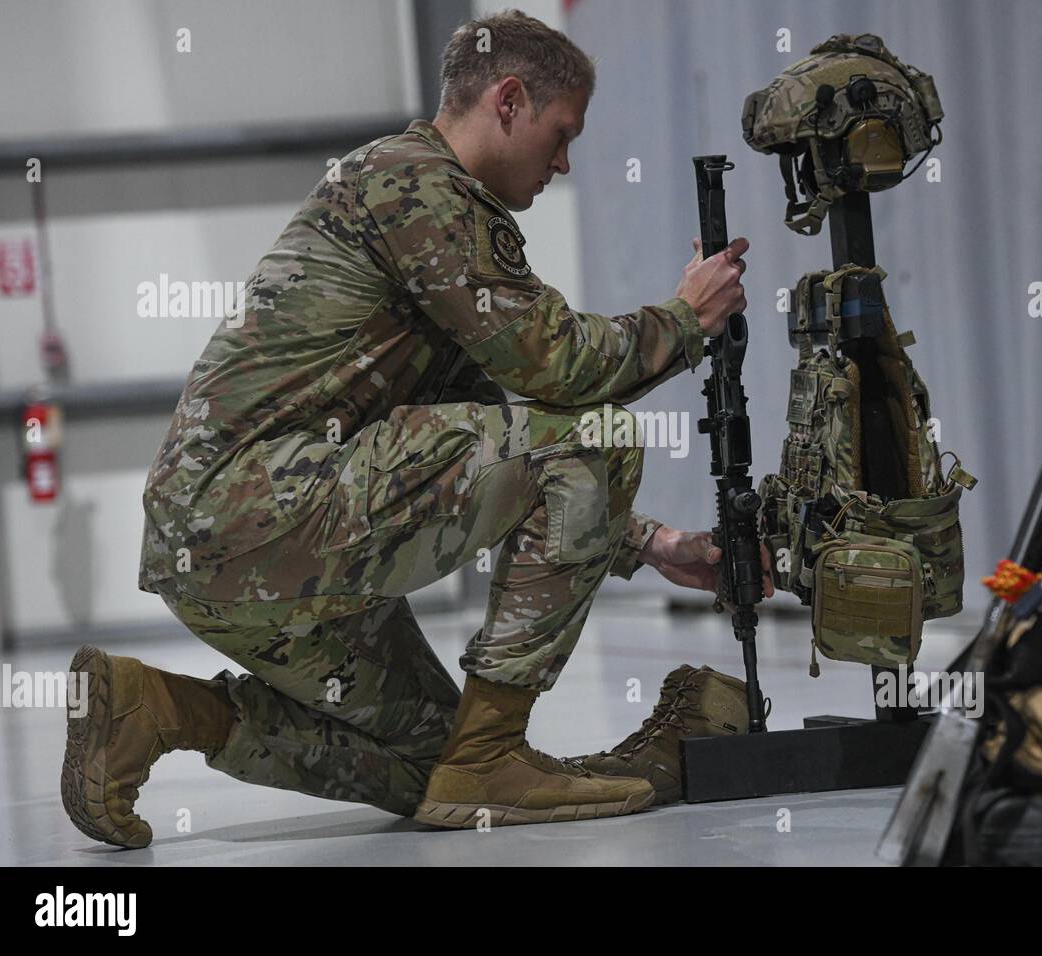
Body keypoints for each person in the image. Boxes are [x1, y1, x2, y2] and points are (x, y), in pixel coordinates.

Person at [61, 8, 772, 847]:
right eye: (560, 132)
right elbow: (560, 372)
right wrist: (685, 320)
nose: (565, 161)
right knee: (603, 436)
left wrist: (649, 544)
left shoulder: (425, 202)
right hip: (261, 508)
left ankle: (158, 710)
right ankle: (495, 751)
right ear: (508, 99)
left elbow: (512, 424)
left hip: (231, 545)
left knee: (432, 775)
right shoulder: (415, 184)